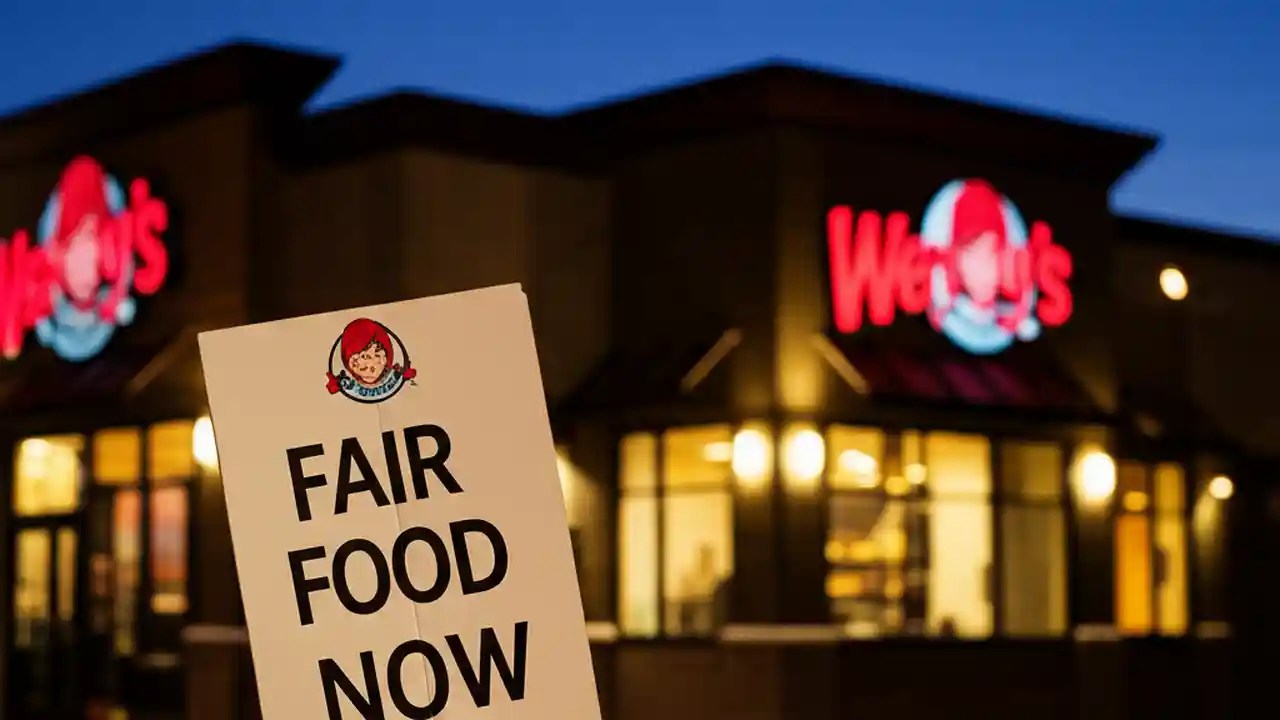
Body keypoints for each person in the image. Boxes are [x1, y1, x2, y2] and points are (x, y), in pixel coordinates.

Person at [929, 180, 1030, 333]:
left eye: (993, 253)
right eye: (972, 253)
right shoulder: (948, 306)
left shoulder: (1010, 312)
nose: (985, 268)